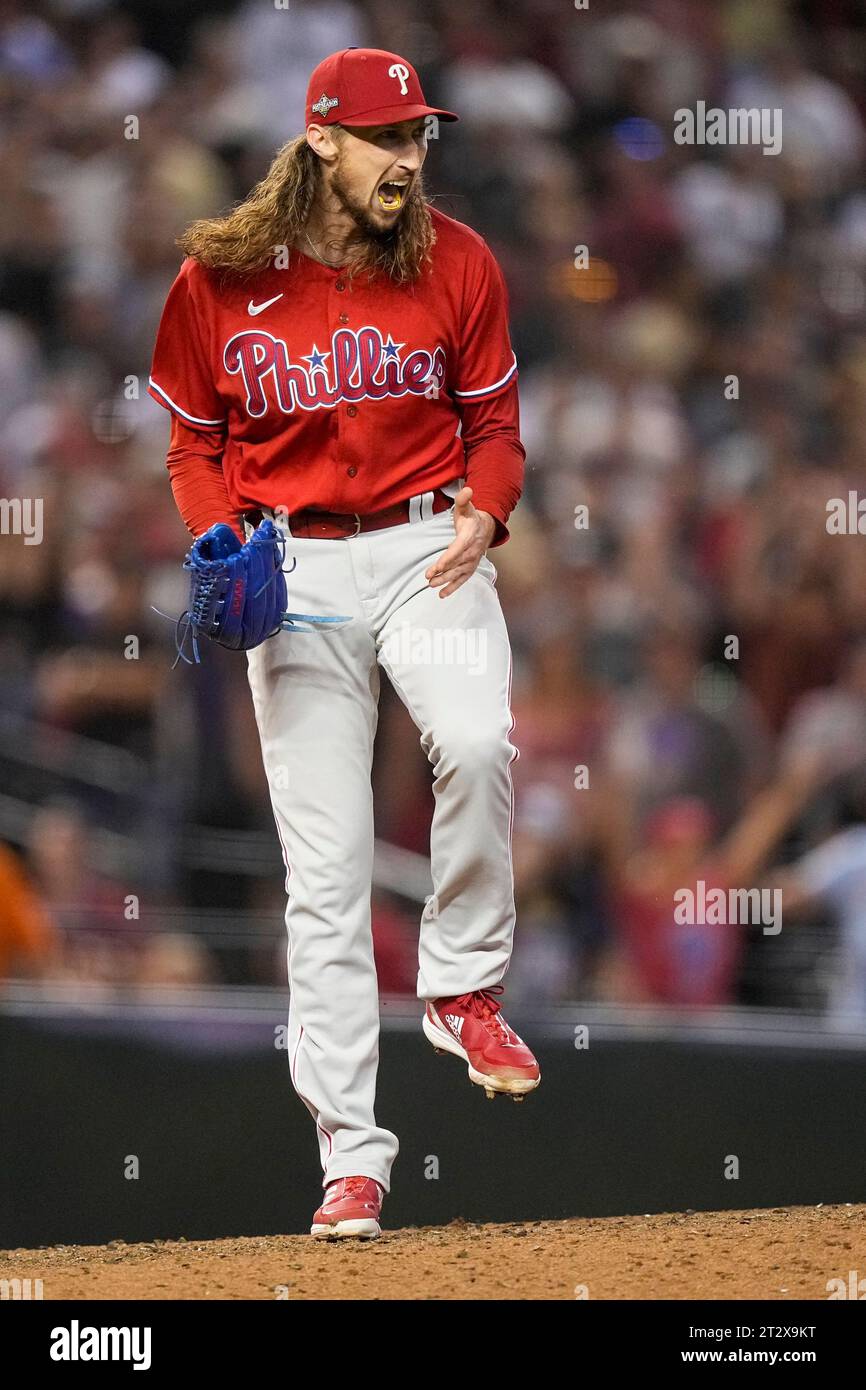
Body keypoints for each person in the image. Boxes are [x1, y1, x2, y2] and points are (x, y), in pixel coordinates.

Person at [148, 47, 540, 1240]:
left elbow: (497, 426)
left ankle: (460, 984)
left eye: (420, 136)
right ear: (321, 138)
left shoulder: (458, 259)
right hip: (298, 567)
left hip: (431, 544)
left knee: (476, 741)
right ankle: (351, 1161)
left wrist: (486, 507)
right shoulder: (218, 280)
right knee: (322, 879)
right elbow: (191, 446)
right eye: (387, 137)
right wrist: (218, 537)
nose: (409, 159)